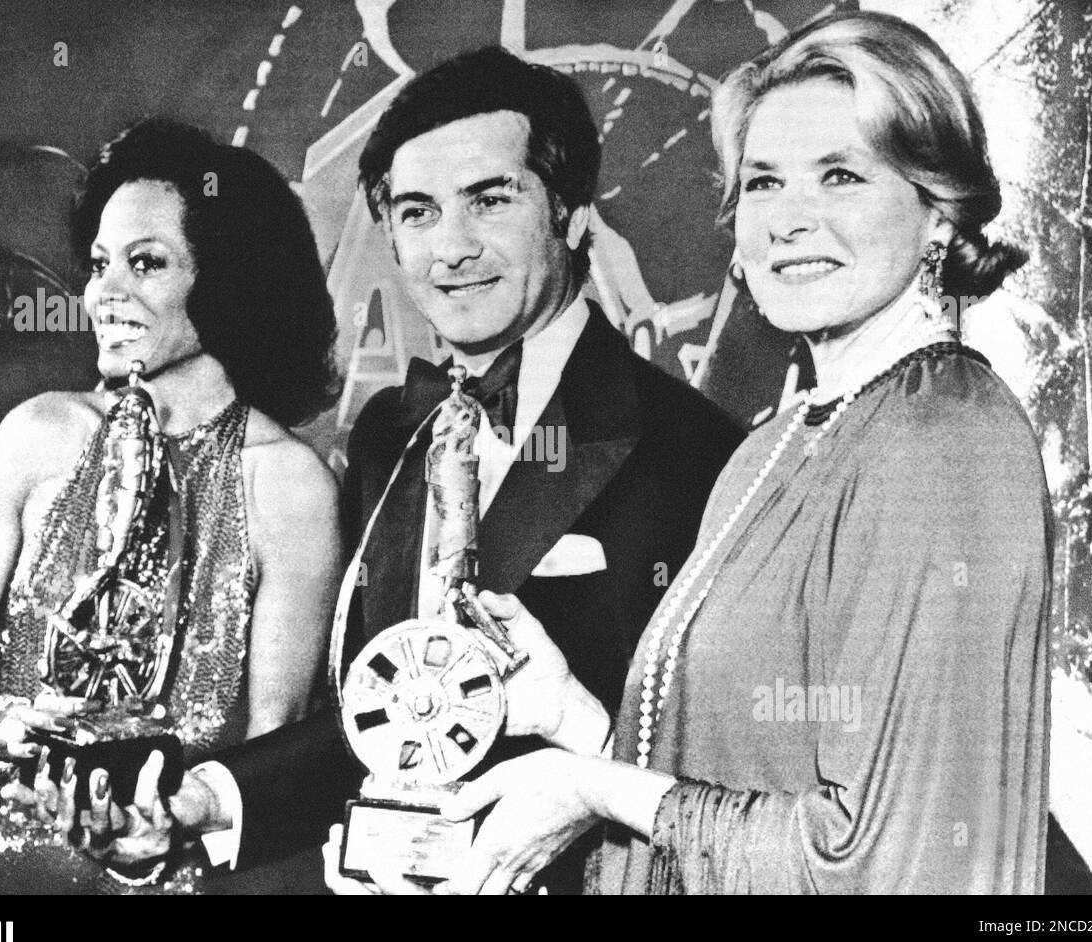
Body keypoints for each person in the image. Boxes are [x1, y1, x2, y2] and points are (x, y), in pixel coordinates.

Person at [332, 10, 1052, 895]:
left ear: (939, 211)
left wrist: (586, 785)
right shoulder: (777, 445)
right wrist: (576, 721)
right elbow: (723, 791)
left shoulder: (946, 437)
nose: (791, 220)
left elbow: (885, 864)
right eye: (763, 183)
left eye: (840, 176)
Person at [100, 46, 742, 893]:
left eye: (489, 200)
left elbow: (708, 779)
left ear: (571, 211)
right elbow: (373, 712)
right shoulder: (388, 433)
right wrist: (203, 801)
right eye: (416, 211)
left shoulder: (695, 449)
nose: (451, 247)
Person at [0, 118, 342, 894]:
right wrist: (4, 724)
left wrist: (158, 825)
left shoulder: (290, 484)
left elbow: (275, 752)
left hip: (167, 877)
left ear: (228, 282)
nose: (104, 293)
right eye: (100, 263)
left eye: (146, 264)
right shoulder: (39, 433)